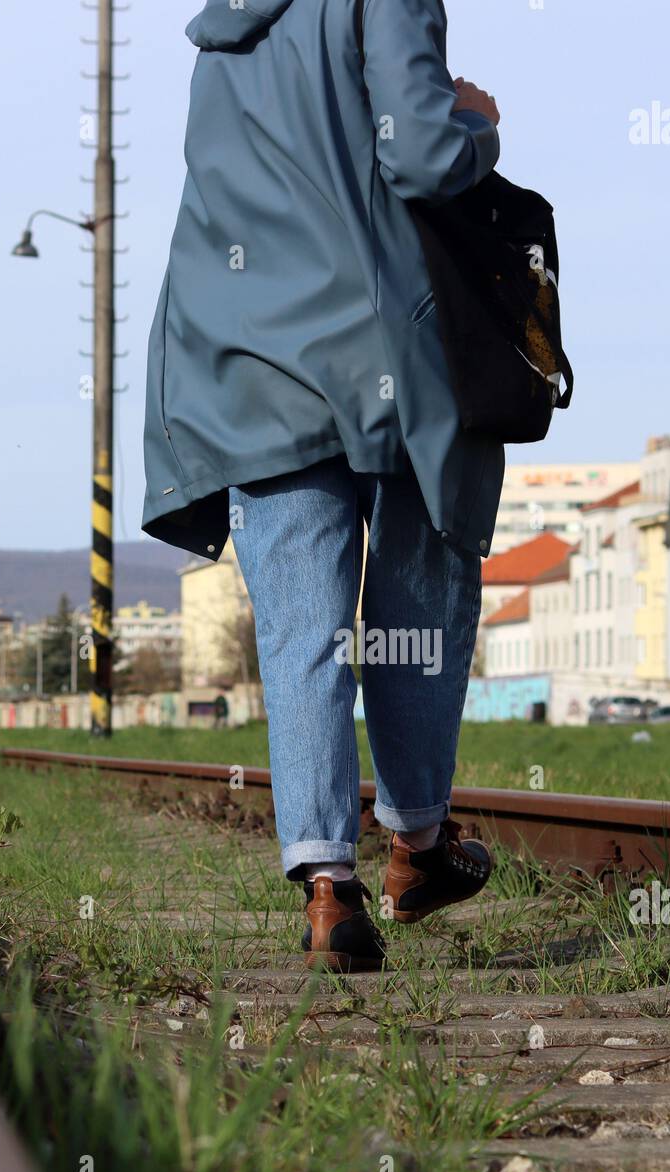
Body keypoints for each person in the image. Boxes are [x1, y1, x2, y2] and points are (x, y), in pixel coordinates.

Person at [142, 0, 503, 971]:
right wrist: (477, 125)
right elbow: (423, 156)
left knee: (303, 629)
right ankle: (420, 845)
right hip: (378, 348)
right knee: (419, 588)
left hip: (245, 360)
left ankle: (327, 888)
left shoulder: (220, 31)